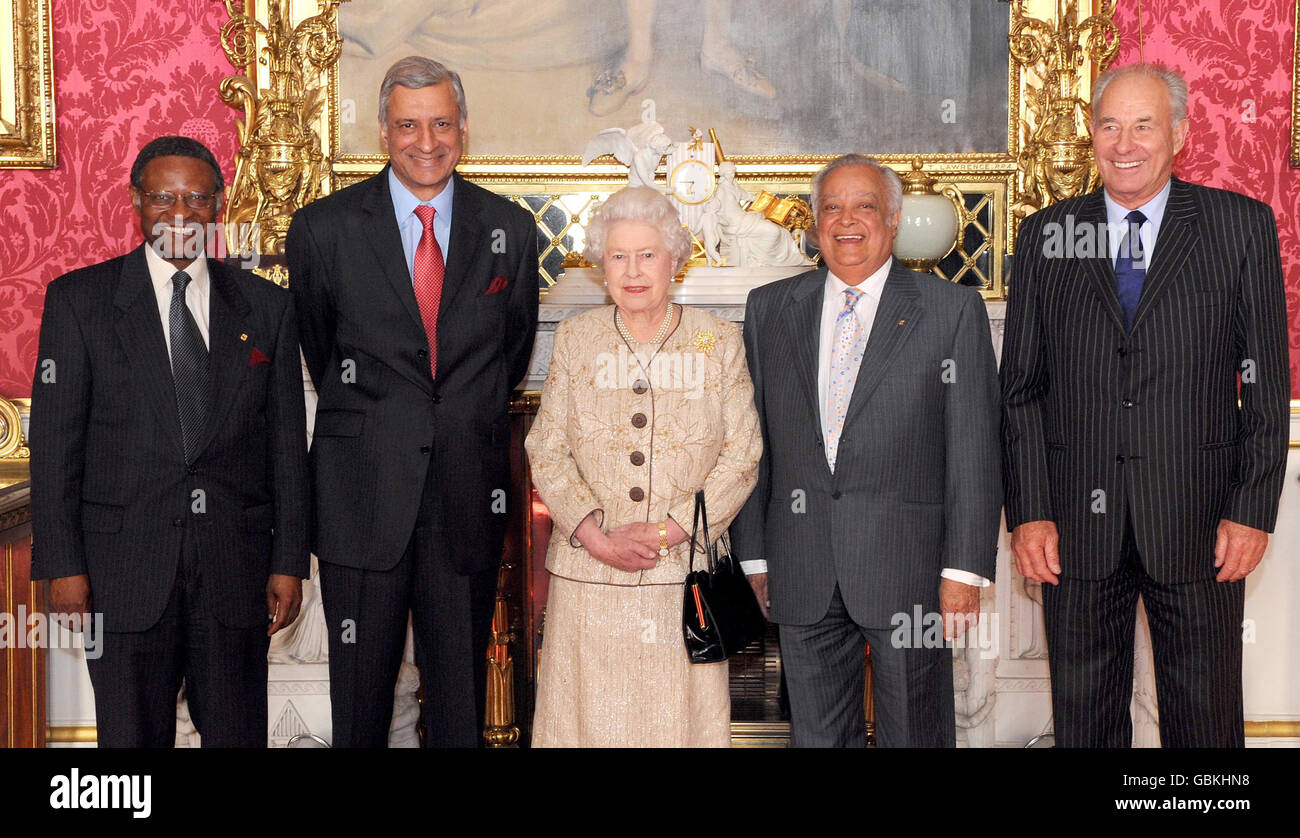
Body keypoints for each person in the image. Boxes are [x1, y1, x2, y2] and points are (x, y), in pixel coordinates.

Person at [1001, 63, 1290, 747]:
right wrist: (1031, 512)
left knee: (1205, 722)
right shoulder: (1046, 235)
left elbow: (1266, 386)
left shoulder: (1239, 227)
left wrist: (1251, 511)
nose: (1123, 143)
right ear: (1091, 134)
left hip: (1198, 521)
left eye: (1143, 125)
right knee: (1085, 722)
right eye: (1109, 125)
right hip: (1073, 528)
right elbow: (1020, 392)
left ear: (1179, 134)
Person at [287, 56, 539, 747]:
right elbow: (321, 349)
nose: (425, 141)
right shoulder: (323, 230)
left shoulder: (509, 231)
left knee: (458, 708)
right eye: (407, 124)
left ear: (464, 128)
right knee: (360, 704)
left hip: (466, 497)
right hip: (359, 497)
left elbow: (509, 359)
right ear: (382, 130)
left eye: (440, 124)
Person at [29, 136, 309, 747]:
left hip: (234, 570)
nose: (179, 214)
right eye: (162, 198)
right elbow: (55, 446)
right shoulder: (80, 302)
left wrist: (289, 561)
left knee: (237, 735)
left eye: (196, 199)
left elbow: (287, 449)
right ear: (136, 202)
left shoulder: (267, 308)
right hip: (121, 571)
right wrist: (63, 565)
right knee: (129, 741)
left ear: (217, 205)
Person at [731, 154, 1002, 747]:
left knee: (917, 736)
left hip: (912, 573)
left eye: (864, 206)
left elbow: (974, 450)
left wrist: (963, 572)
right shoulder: (769, 309)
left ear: (895, 218)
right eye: (832, 207)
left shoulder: (951, 311)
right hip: (800, 568)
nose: (846, 221)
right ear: (814, 222)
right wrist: (753, 556)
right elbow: (752, 445)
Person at [525, 186, 762, 747]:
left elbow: (742, 454)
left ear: (675, 262)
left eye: (648, 255)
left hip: (682, 577)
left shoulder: (718, 340)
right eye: (618, 255)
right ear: (601, 264)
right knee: (589, 724)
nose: (633, 270)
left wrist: (666, 530)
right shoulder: (577, 339)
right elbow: (546, 447)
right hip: (589, 576)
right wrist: (595, 536)